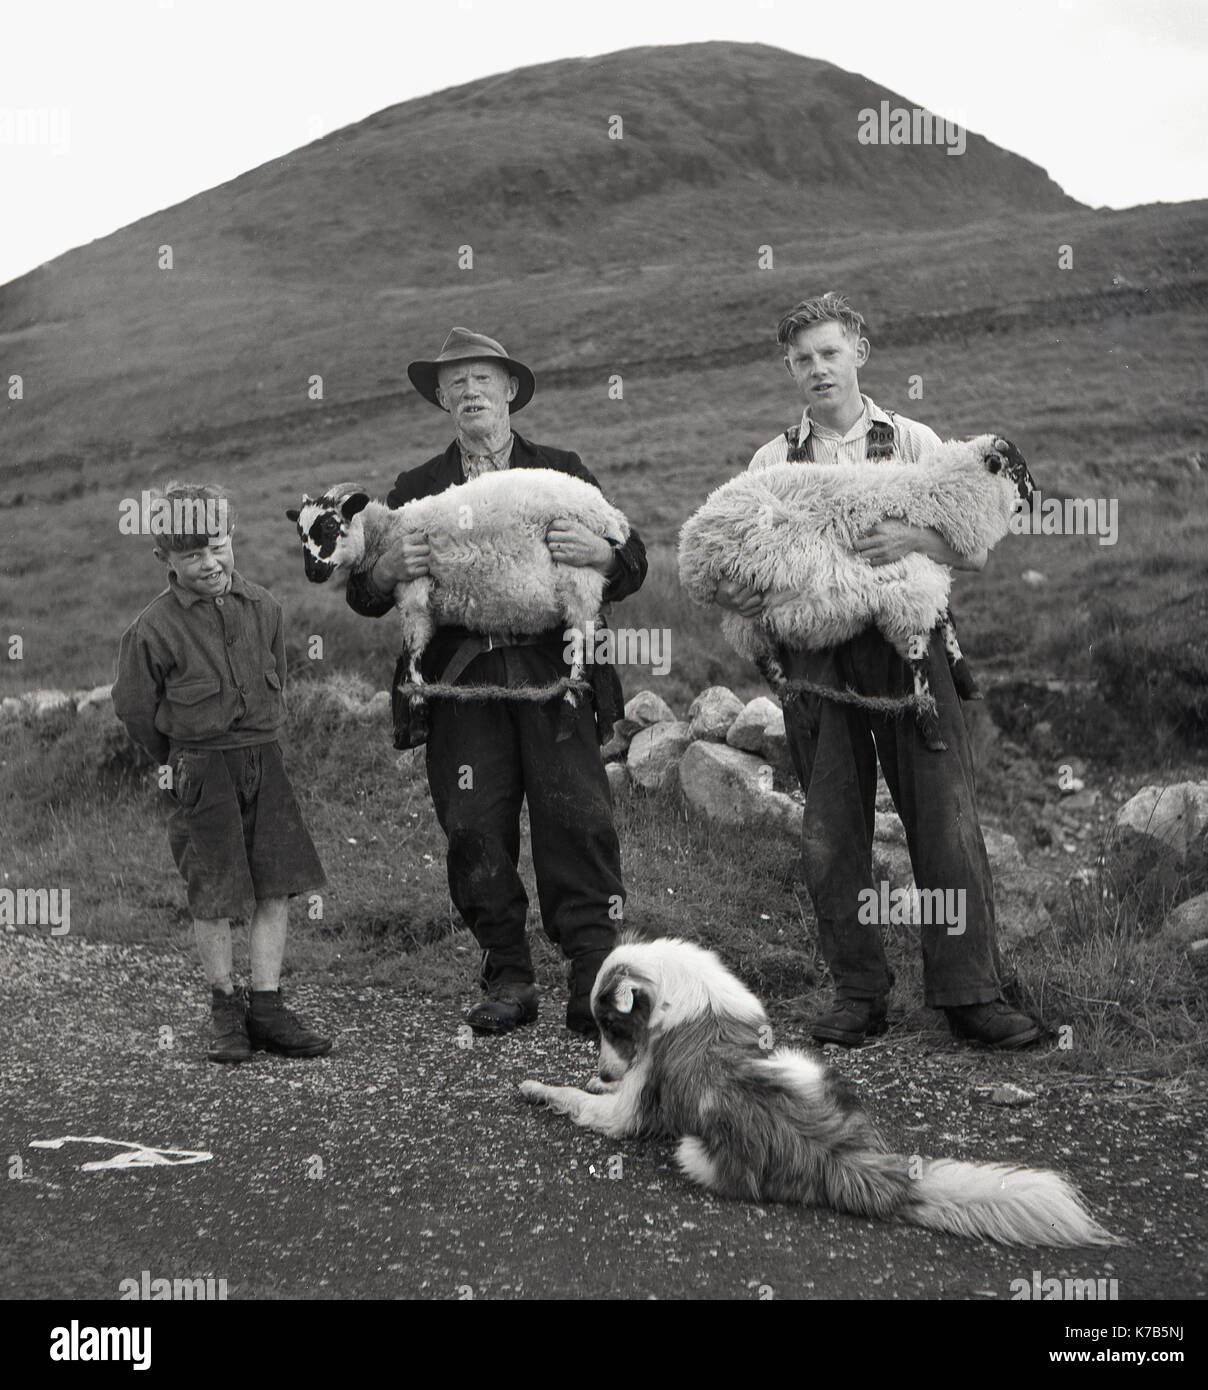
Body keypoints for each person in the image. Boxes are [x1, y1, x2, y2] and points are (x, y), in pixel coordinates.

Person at [716, 293, 1042, 1050]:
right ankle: (858, 993)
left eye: (830, 352)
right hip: (815, 660)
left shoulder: (917, 441)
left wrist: (914, 535)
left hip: (912, 651)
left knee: (946, 819)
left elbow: (976, 544)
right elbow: (740, 566)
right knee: (833, 828)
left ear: (859, 349)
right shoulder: (772, 463)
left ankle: (970, 994)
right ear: (789, 368)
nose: (817, 369)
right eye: (802, 359)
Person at [347, 328, 647, 1038]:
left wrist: (603, 555)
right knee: (473, 828)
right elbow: (365, 593)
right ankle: (507, 974)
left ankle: (593, 979)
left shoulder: (562, 471)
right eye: (455, 383)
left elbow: (633, 563)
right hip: (462, 683)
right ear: (443, 399)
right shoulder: (417, 488)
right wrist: (385, 572)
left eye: (483, 379)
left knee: (577, 819)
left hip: (554, 676)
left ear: (510, 389)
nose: (469, 392)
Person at [112, 482, 331, 1064]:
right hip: (199, 768)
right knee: (214, 891)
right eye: (191, 556)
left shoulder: (266, 608)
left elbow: (276, 675)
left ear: (232, 537)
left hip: (265, 760)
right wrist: (179, 759)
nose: (209, 563)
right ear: (166, 561)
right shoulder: (152, 630)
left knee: (275, 884)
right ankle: (224, 1008)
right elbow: (135, 706)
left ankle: (267, 1007)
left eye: (218, 546)